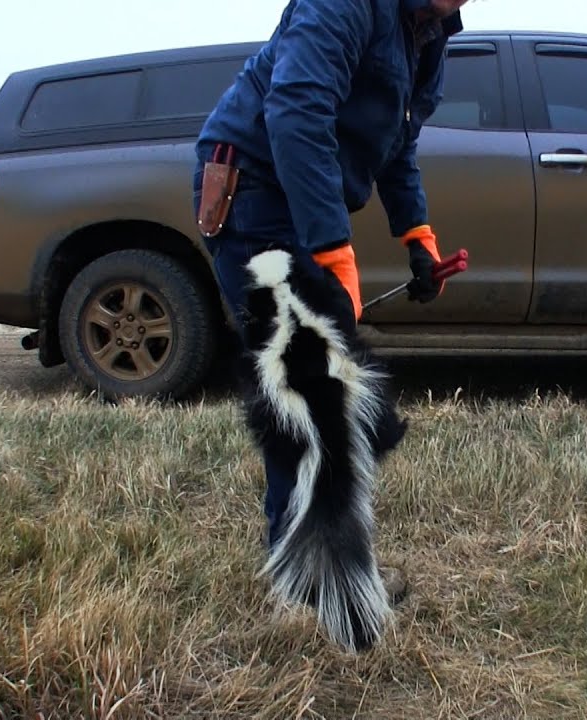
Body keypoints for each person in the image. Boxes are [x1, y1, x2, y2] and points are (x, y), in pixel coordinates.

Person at [191, 0, 469, 651]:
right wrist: (331, 250)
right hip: (253, 186)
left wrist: (417, 234)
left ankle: (314, 571)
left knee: (323, 394)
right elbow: (294, 111)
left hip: (298, 191)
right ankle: (310, 588)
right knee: (311, 392)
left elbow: (399, 144)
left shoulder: (428, 34)